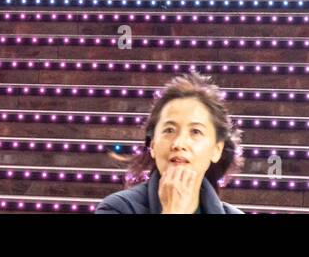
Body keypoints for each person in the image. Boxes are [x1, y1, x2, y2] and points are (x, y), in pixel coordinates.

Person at [95, 72, 243, 214]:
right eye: (169, 130)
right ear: (152, 145)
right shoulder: (117, 208)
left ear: (216, 150)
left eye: (195, 131)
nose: (179, 143)